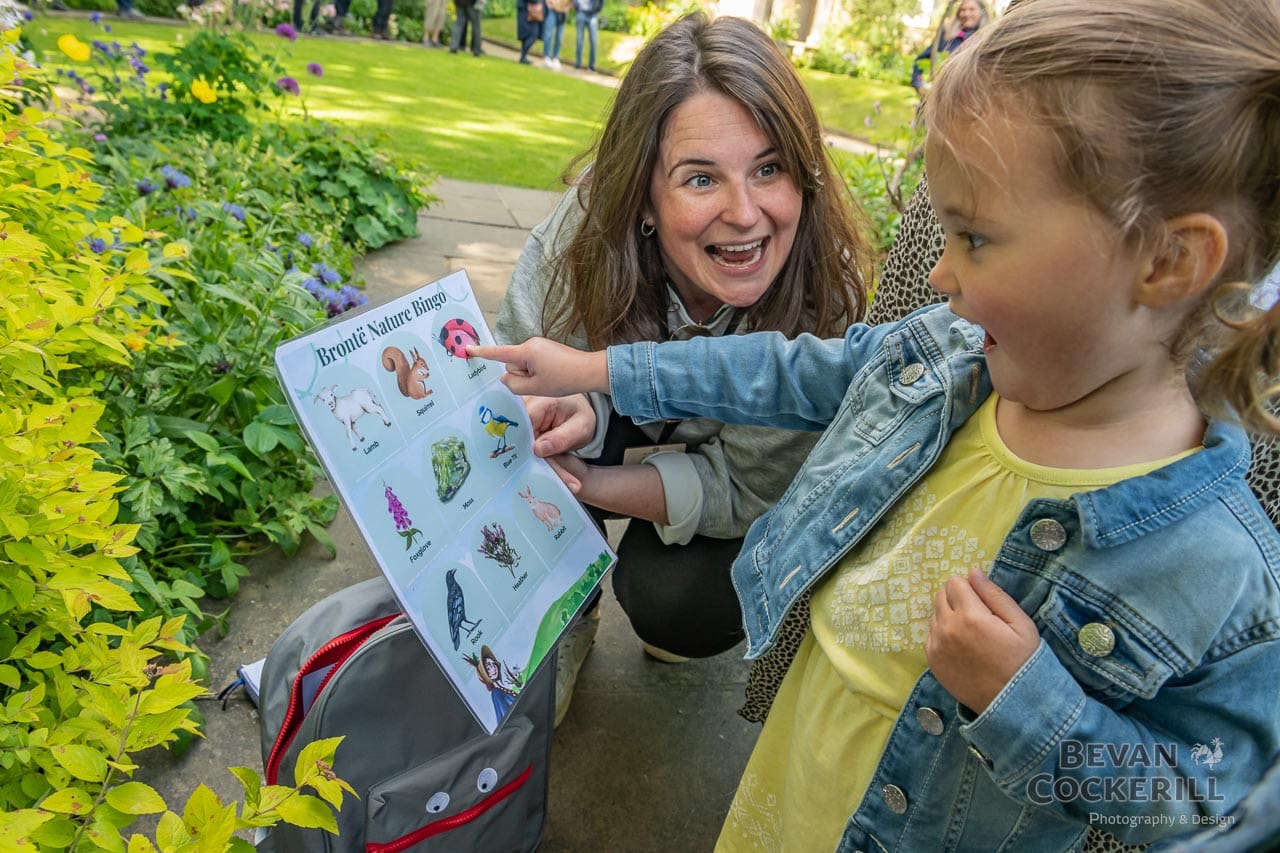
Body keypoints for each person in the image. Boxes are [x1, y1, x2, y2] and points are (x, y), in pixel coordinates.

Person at [472, 0, 1280, 847]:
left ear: (1168, 261)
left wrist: (1026, 705)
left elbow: (1203, 800)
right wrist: (598, 372)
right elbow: (784, 369)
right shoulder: (955, 353)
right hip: (791, 785)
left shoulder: (1214, 563)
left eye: (974, 237)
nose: (938, 270)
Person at [493, 12, 868, 726]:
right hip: (606, 426)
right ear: (642, 197)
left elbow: (747, 482)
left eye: (769, 168)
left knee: (684, 607)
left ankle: (649, 578)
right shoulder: (578, 240)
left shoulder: (825, 299)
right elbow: (511, 388)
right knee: (537, 440)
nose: (746, 214)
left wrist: (597, 482)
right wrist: (574, 415)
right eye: (701, 178)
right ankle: (561, 605)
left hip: (708, 472)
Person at [910, 0, 986, 94]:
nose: (966, 13)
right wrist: (918, 83)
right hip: (942, 95)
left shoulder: (988, 40)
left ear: (982, 12)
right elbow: (920, 60)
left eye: (971, 9)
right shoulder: (947, 36)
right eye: (963, 10)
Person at [572, 0, 602, 71]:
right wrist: (577, 7)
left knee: (593, 40)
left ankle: (591, 65)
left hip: (593, 15)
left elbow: (601, 2)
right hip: (581, 13)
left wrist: (597, 10)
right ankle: (578, 63)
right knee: (579, 39)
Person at [542, 0, 569, 68]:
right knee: (548, 34)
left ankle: (555, 57)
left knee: (559, 36)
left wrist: (568, 7)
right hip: (552, 10)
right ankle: (546, 57)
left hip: (563, 12)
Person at [516, 0, 543, 64]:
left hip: (526, 9)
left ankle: (523, 57)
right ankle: (523, 57)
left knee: (527, 35)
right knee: (533, 34)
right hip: (528, 10)